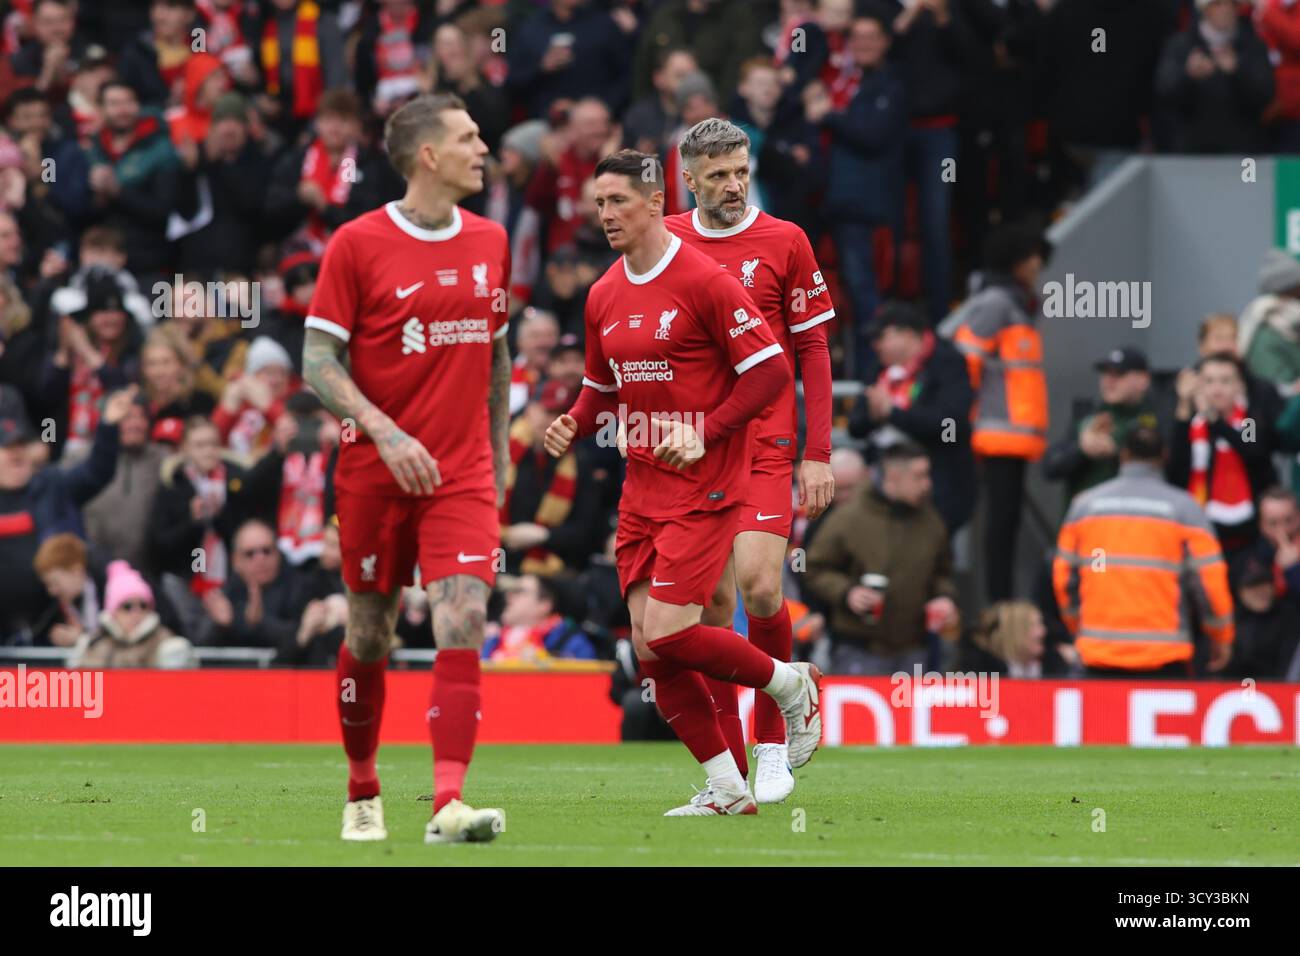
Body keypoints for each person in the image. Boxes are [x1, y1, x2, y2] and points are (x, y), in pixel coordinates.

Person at [543, 148, 821, 818]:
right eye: (598, 203)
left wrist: (708, 431)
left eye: (618, 202)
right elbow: (599, 389)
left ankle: (790, 684)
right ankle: (726, 787)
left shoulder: (703, 280)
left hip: (707, 482)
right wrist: (572, 425)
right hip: (642, 488)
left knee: (670, 631)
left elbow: (771, 373)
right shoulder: (604, 291)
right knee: (647, 648)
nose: (605, 215)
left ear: (653, 199)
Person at [301, 93, 511, 844]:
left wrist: (501, 448)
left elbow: (498, 350)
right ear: (429, 156)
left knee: (464, 618)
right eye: (468, 137)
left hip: (461, 472)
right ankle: (362, 786)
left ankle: (448, 803)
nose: (483, 147)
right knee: (370, 632)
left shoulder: (492, 239)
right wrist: (385, 433)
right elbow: (316, 361)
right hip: (374, 473)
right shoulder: (357, 244)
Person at [664, 117, 835, 805]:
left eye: (741, 171)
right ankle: (729, 778)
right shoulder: (668, 242)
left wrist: (818, 454)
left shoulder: (785, 240)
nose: (733, 187)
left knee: (763, 589)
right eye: (718, 177)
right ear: (691, 180)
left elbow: (815, 351)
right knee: (709, 609)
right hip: (695, 448)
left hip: (766, 442)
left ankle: (774, 745)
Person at [1054, 426, 1234, 678]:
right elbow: (1209, 582)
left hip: (1099, 653)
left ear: (1123, 455)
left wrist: (1079, 627)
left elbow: (1064, 580)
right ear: (1164, 456)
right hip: (1164, 655)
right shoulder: (1185, 509)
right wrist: (1220, 636)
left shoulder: (1086, 507)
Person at [803, 13, 906, 376]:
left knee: (865, 294)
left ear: (885, 42)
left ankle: (869, 377)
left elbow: (872, 135)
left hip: (866, 207)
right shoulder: (849, 81)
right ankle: (851, 374)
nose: (862, 44)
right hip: (834, 203)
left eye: (870, 37)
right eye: (856, 38)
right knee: (844, 293)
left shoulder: (890, 85)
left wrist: (829, 115)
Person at [951, 222, 1048, 602]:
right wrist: (968, 419)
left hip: (1013, 438)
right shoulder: (996, 304)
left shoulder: (1015, 304)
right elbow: (966, 362)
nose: (1038, 264)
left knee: (1005, 528)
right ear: (1015, 260)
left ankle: (1001, 607)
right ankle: (998, 609)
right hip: (997, 436)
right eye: (1032, 256)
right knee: (999, 529)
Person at [803, 441, 959, 676]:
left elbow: (942, 573)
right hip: (859, 650)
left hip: (915, 649)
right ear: (894, 476)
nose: (927, 484)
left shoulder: (931, 521)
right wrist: (847, 592)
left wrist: (944, 598)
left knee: (910, 714)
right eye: (920, 476)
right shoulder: (848, 517)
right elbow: (814, 568)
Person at [0, 384, 133, 645]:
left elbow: (97, 472)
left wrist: (107, 426)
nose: (17, 452)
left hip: (56, 629)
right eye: (6, 447)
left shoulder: (52, 484)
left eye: (22, 445)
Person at [848, 300, 974, 535]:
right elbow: (856, 426)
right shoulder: (879, 369)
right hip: (883, 482)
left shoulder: (947, 362)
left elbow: (950, 424)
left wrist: (893, 414)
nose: (875, 345)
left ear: (906, 334)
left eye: (881, 336)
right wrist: (875, 415)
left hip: (939, 486)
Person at [1167, 352, 1276, 556]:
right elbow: (1175, 469)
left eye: (1225, 381)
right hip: (1199, 531)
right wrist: (1183, 405)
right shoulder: (1190, 423)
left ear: (1239, 386)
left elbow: (1252, 450)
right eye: (1208, 381)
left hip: (1247, 537)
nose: (1217, 389)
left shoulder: (1250, 420)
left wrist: (1214, 420)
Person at [500, 379, 603, 576]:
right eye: (548, 412)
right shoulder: (501, 448)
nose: (554, 422)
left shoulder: (580, 462)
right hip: (498, 559)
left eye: (561, 415)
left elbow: (587, 529)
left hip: (553, 570)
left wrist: (544, 535)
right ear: (529, 409)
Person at [1042, 347, 1160, 509]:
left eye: (1119, 375)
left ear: (1143, 380)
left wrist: (1117, 451)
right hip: (1085, 524)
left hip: (1129, 522)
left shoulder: (1155, 419)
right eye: (1105, 374)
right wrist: (1081, 449)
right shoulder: (1089, 418)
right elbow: (1050, 468)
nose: (1108, 381)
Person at [1154, 0, 1274, 154]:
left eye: (1230, 4)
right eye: (1217, 4)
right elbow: (1164, 92)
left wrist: (1238, 71)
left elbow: (1265, 95)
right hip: (1191, 152)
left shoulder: (1252, 44)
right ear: (1204, 9)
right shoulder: (1181, 45)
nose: (1225, 10)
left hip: (1242, 152)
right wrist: (1188, 75)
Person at [71, 559, 194, 668]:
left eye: (143, 605)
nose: (137, 612)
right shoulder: (93, 644)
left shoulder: (167, 646)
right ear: (113, 612)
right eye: (127, 607)